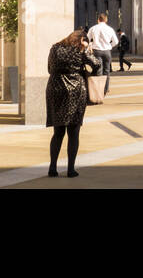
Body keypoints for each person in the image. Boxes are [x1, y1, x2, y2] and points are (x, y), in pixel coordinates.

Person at [45, 30, 101, 178]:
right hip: (75, 90)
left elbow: (50, 69)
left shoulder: (55, 48)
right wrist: (88, 50)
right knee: (73, 132)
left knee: (58, 132)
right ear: (82, 39)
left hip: (55, 88)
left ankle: (52, 168)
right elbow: (96, 65)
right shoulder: (81, 50)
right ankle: (70, 169)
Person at [86, 13, 117, 93]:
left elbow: (87, 39)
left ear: (98, 20)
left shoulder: (93, 28)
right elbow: (116, 41)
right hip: (107, 52)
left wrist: (91, 45)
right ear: (106, 20)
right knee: (107, 71)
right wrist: (109, 46)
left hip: (97, 51)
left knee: (98, 70)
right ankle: (105, 89)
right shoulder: (110, 29)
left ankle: (98, 89)